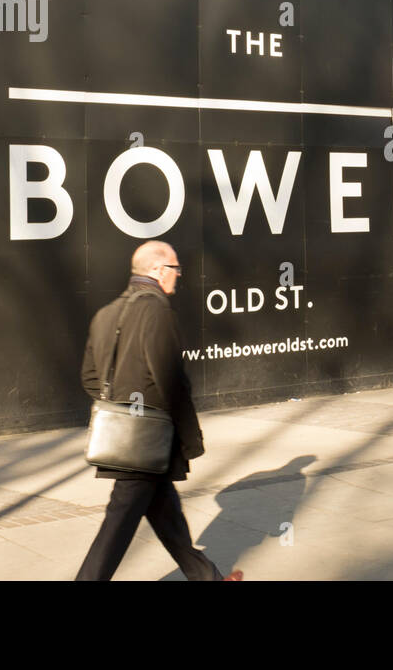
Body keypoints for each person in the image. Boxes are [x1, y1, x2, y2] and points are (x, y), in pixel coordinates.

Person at [76, 240, 241, 581]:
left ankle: (206, 577)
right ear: (156, 270)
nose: (178, 276)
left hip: (124, 433)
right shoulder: (158, 309)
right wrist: (188, 436)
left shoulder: (105, 314)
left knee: (164, 510)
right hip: (148, 435)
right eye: (175, 268)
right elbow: (170, 380)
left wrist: (119, 408)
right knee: (120, 519)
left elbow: (90, 378)